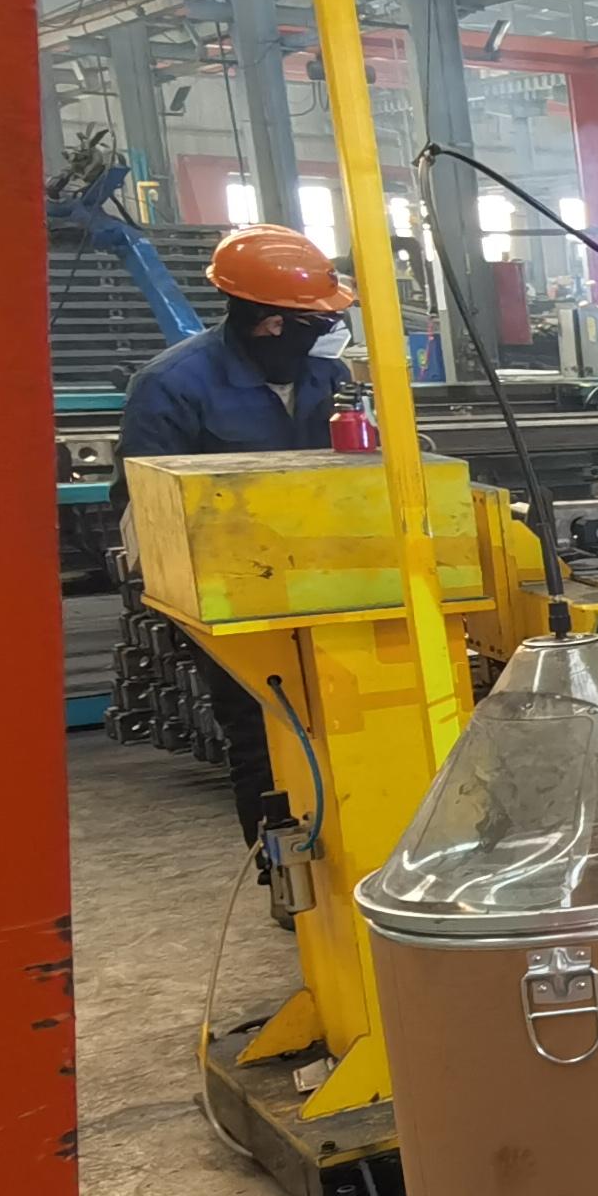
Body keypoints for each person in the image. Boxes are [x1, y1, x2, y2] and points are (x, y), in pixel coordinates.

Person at [116, 225, 356, 843]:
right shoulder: (173, 385)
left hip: (333, 583)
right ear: (271, 324)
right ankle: (283, 872)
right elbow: (144, 508)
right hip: (232, 599)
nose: (330, 331)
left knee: (349, 726)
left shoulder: (328, 378)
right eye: (318, 321)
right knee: (260, 736)